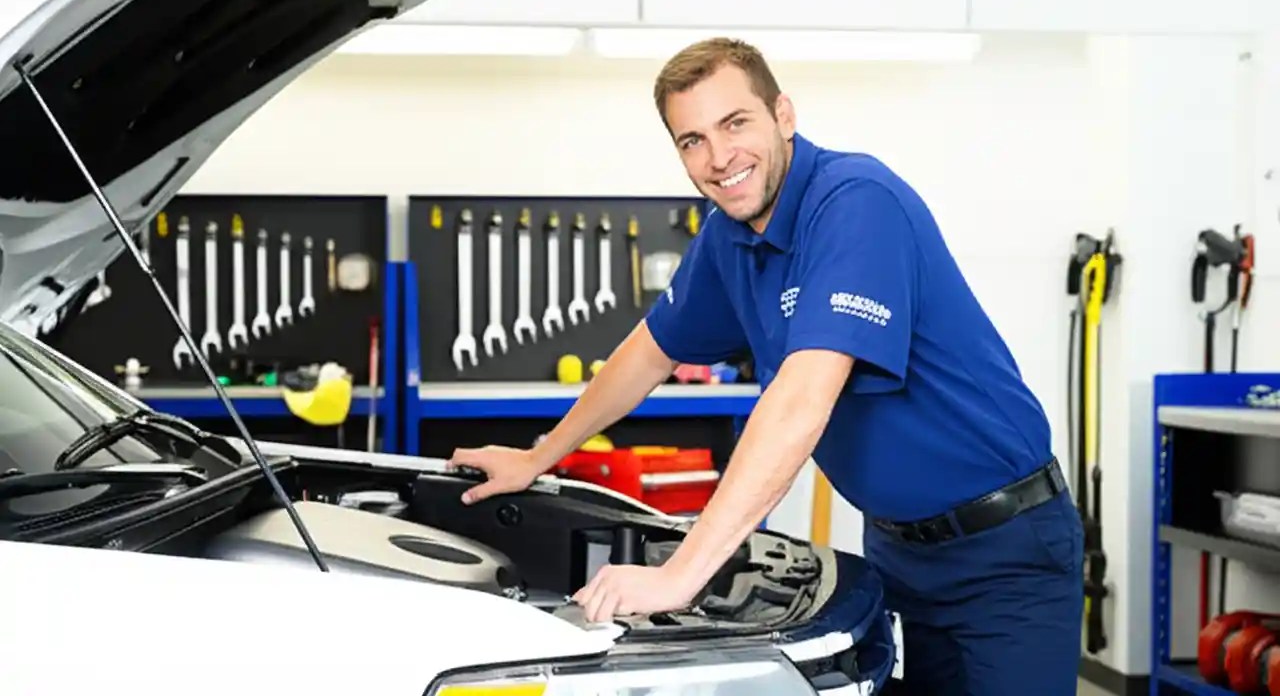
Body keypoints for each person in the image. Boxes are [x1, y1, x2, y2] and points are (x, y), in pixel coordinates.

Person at [449, 37, 1084, 695]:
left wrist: (683, 572)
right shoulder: (731, 237)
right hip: (902, 554)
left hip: (1004, 550)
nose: (720, 157)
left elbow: (801, 397)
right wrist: (539, 455)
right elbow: (648, 350)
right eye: (692, 140)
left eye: (735, 123)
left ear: (783, 114)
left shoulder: (855, 203)